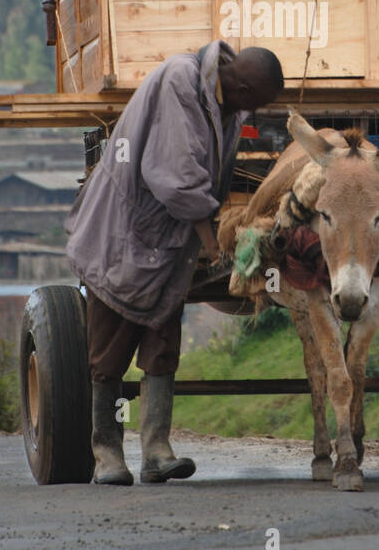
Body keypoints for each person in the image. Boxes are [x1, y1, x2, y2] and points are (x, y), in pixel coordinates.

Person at [65, 40, 284, 486]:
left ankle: (156, 451)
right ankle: (106, 452)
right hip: (125, 234)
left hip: (169, 241)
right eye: (253, 102)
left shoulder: (226, 99)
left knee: (163, 341)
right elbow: (176, 179)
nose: (253, 113)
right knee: (108, 350)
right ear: (239, 84)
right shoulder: (180, 81)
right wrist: (212, 244)